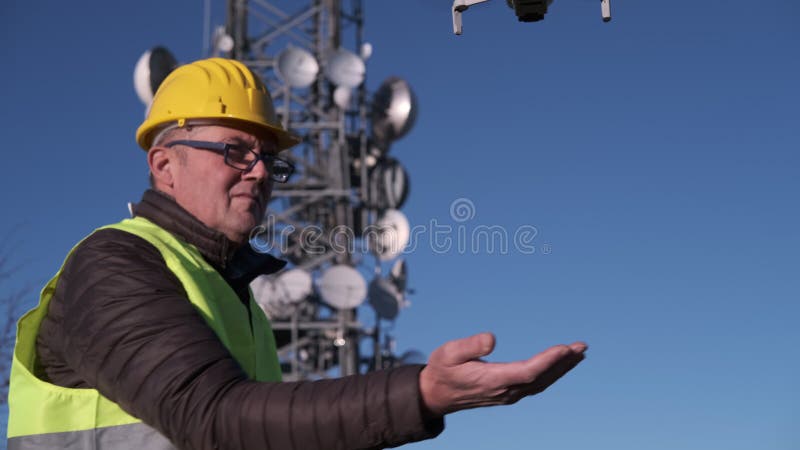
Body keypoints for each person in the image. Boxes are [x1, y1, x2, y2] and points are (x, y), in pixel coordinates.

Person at [7, 58, 587, 450]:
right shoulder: (113, 264)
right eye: (234, 151)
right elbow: (213, 417)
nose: (259, 173)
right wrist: (419, 394)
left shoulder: (237, 298)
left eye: (270, 161)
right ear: (164, 165)